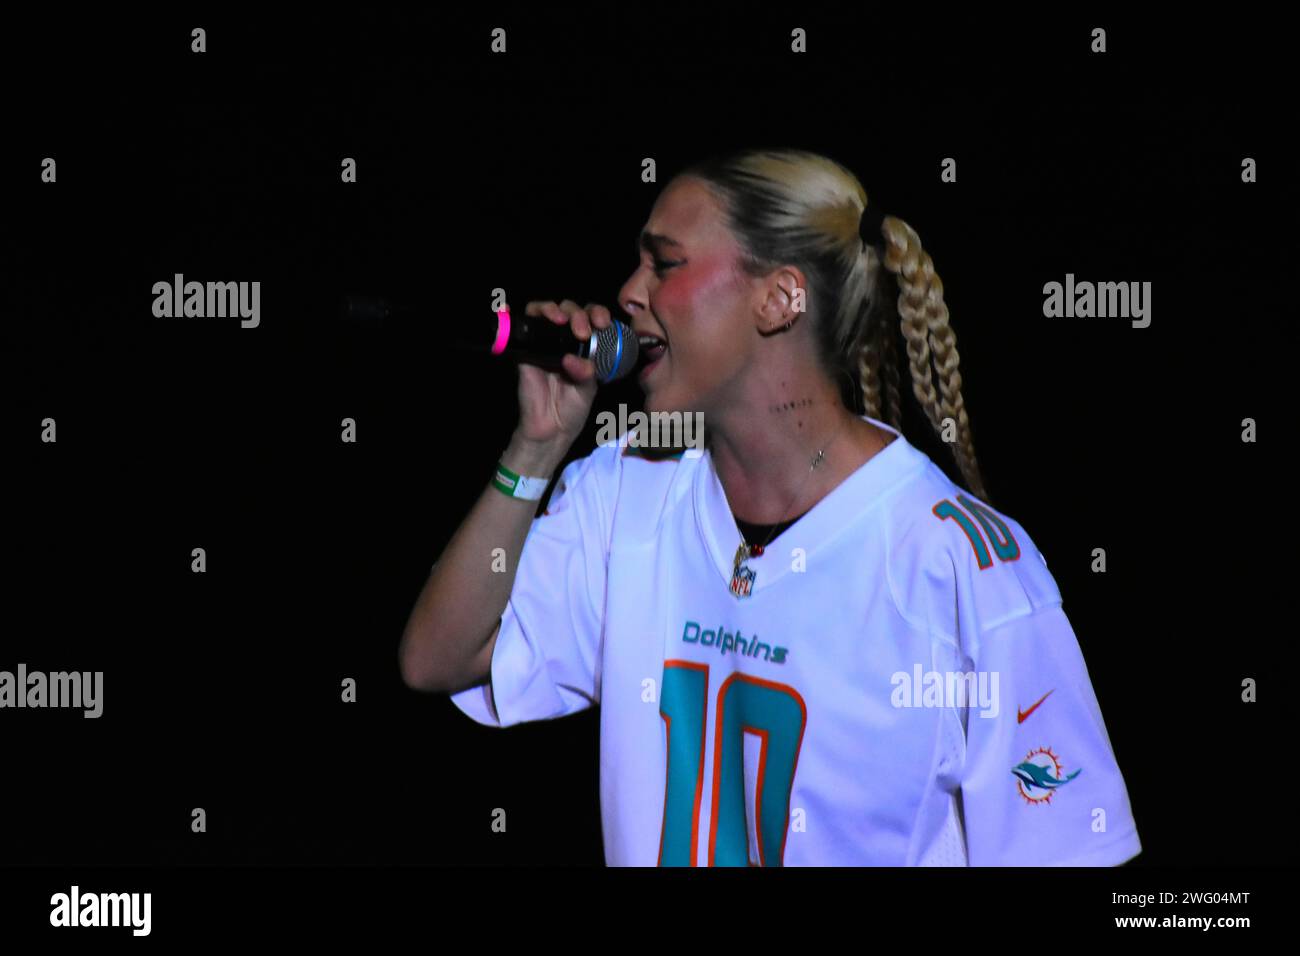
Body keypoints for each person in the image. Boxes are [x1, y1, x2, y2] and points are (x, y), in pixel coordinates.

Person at [400, 147, 1141, 867]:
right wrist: (536, 448)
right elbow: (437, 661)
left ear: (780, 296)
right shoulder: (627, 484)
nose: (629, 292)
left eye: (665, 263)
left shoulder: (956, 564)